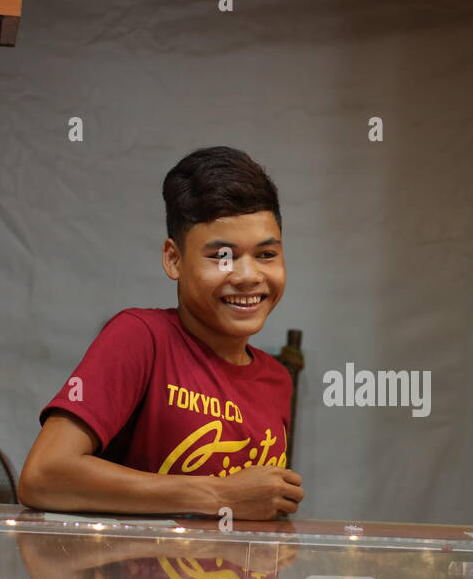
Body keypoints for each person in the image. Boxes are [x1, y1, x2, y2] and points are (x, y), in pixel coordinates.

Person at [18, 146, 305, 520]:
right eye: (222, 257)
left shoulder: (276, 379)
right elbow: (43, 476)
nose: (248, 275)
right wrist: (218, 495)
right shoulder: (141, 338)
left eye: (266, 255)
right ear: (174, 259)